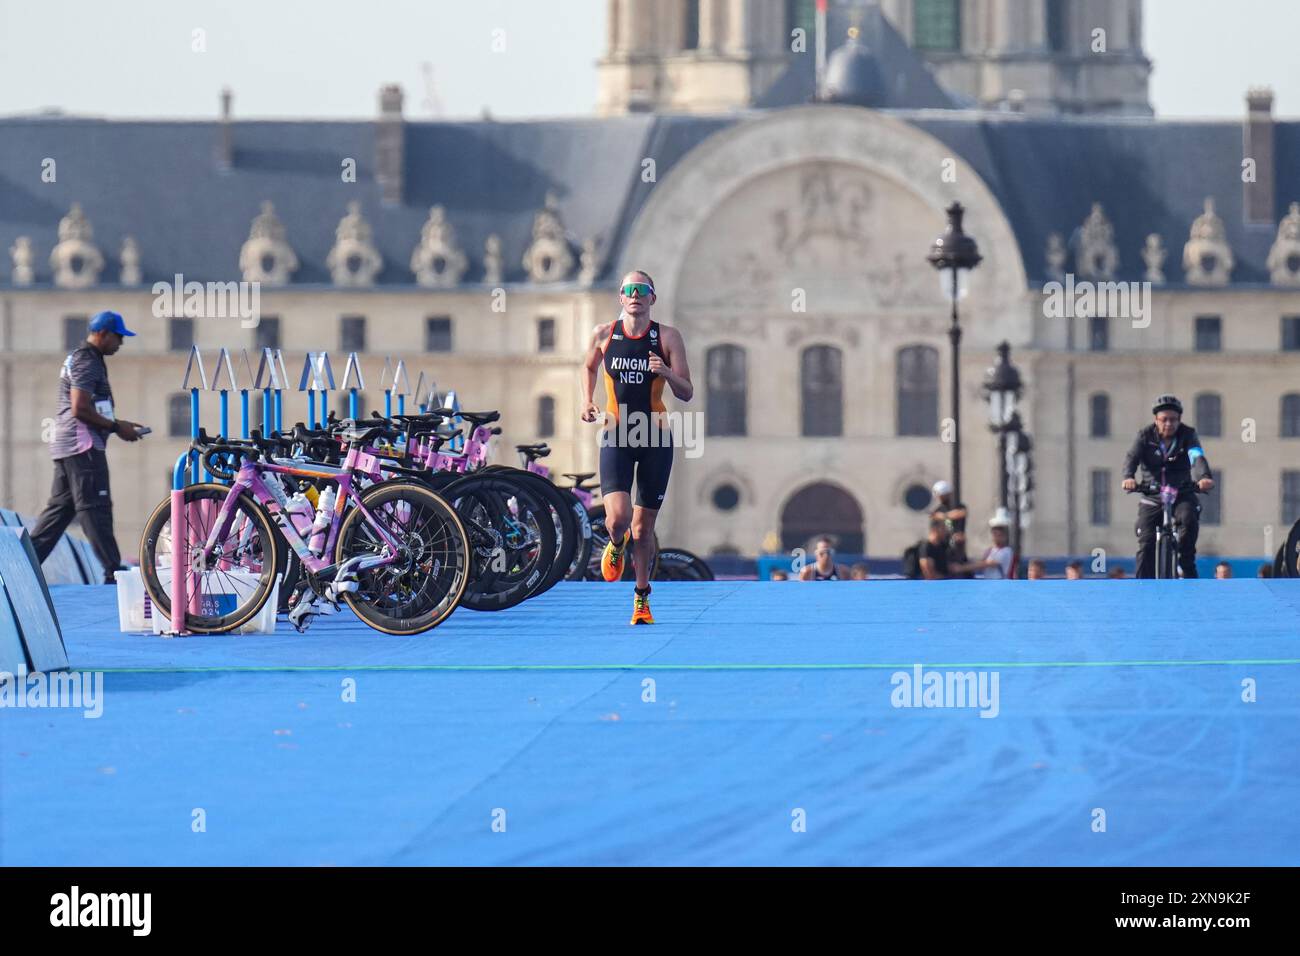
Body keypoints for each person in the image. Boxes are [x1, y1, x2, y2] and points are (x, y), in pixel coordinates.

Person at [581, 271, 693, 624]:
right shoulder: (604, 334)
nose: (635, 295)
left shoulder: (668, 337)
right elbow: (588, 366)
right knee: (618, 518)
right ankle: (615, 544)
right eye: (629, 290)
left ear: (652, 299)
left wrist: (666, 372)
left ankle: (641, 600)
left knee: (643, 530)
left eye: (642, 290)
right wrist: (587, 401)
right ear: (620, 297)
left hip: (655, 436)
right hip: (617, 432)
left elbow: (687, 391)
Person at [30, 311, 144, 583]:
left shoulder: (82, 359)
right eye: (118, 337)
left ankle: (22, 564)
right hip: (82, 447)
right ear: (103, 333)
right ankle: (113, 572)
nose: (121, 343)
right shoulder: (86, 360)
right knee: (95, 507)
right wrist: (116, 428)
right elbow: (80, 408)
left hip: (69, 445)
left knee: (60, 511)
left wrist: (119, 423)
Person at [1122, 394, 1215, 578]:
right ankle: (1143, 586)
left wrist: (1204, 477)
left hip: (1182, 492)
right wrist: (1128, 477)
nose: (1169, 424)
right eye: (1164, 420)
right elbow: (1132, 457)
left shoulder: (1188, 435)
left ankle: (1185, 565)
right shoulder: (1144, 436)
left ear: (1179, 420)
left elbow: (1196, 457)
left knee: (1189, 520)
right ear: (1156, 420)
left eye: (1173, 420)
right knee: (1146, 542)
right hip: (1152, 494)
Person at [930, 480, 969, 576]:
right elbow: (933, 529)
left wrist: (943, 516)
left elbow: (961, 513)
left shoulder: (958, 506)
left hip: (958, 546)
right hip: (944, 548)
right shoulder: (938, 510)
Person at [968, 510, 1014, 579]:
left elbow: (987, 563)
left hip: (1000, 584)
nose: (996, 537)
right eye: (994, 534)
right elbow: (981, 562)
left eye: (1000, 535)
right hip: (989, 584)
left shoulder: (1007, 551)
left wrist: (961, 568)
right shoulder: (990, 550)